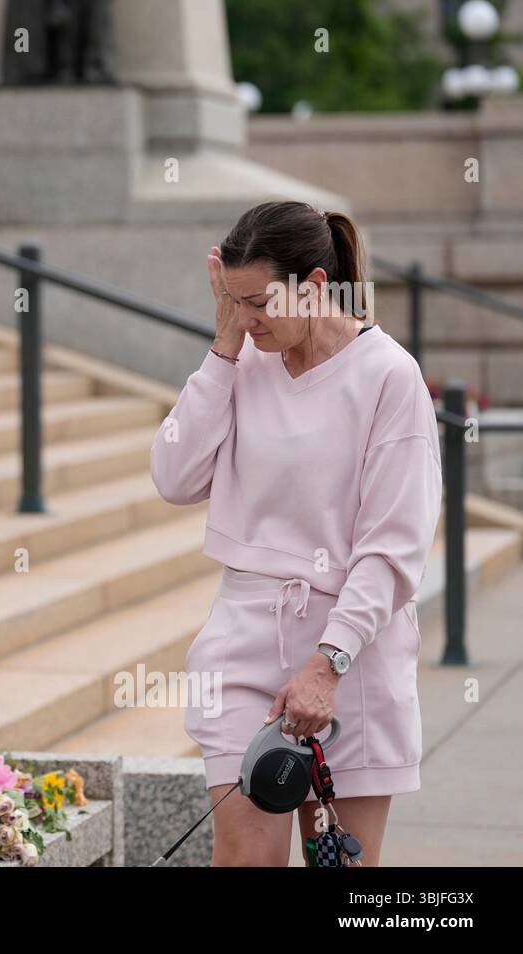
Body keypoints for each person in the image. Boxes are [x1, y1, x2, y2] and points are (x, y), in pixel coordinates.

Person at [150, 199, 443, 866]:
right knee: (246, 857)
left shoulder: (388, 378)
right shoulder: (240, 363)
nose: (244, 319)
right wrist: (222, 350)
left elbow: (393, 547)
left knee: (338, 866)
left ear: (312, 287)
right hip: (243, 640)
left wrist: (327, 662)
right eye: (231, 300)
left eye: (256, 302)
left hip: (352, 656)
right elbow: (173, 476)